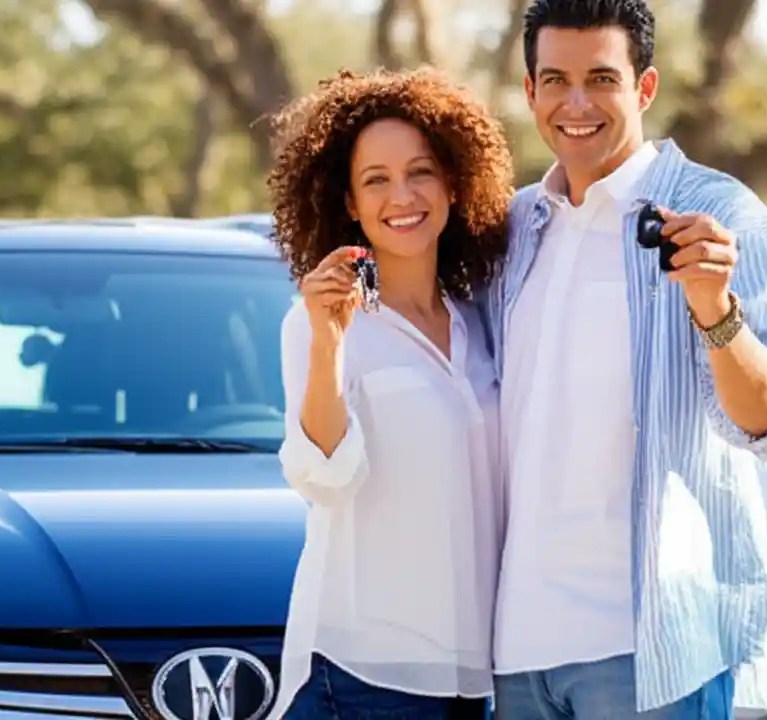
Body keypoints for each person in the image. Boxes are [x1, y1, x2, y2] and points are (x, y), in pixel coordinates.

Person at [480, 1, 767, 717]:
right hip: (513, 653)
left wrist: (714, 307)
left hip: (653, 654)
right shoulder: (511, 230)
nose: (576, 103)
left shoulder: (724, 217)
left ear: (645, 88)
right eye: (555, 80)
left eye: (601, 78)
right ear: (530, 89)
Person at [266, 66, 514, 720]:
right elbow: (324, 477)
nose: (401, 195)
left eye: (421, 171)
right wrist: (329, 344)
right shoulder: (321, 324)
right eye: (376, 179)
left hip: (474, 681)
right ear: (349, 202)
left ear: (454, 183)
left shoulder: (476, 320)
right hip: (361, 676)